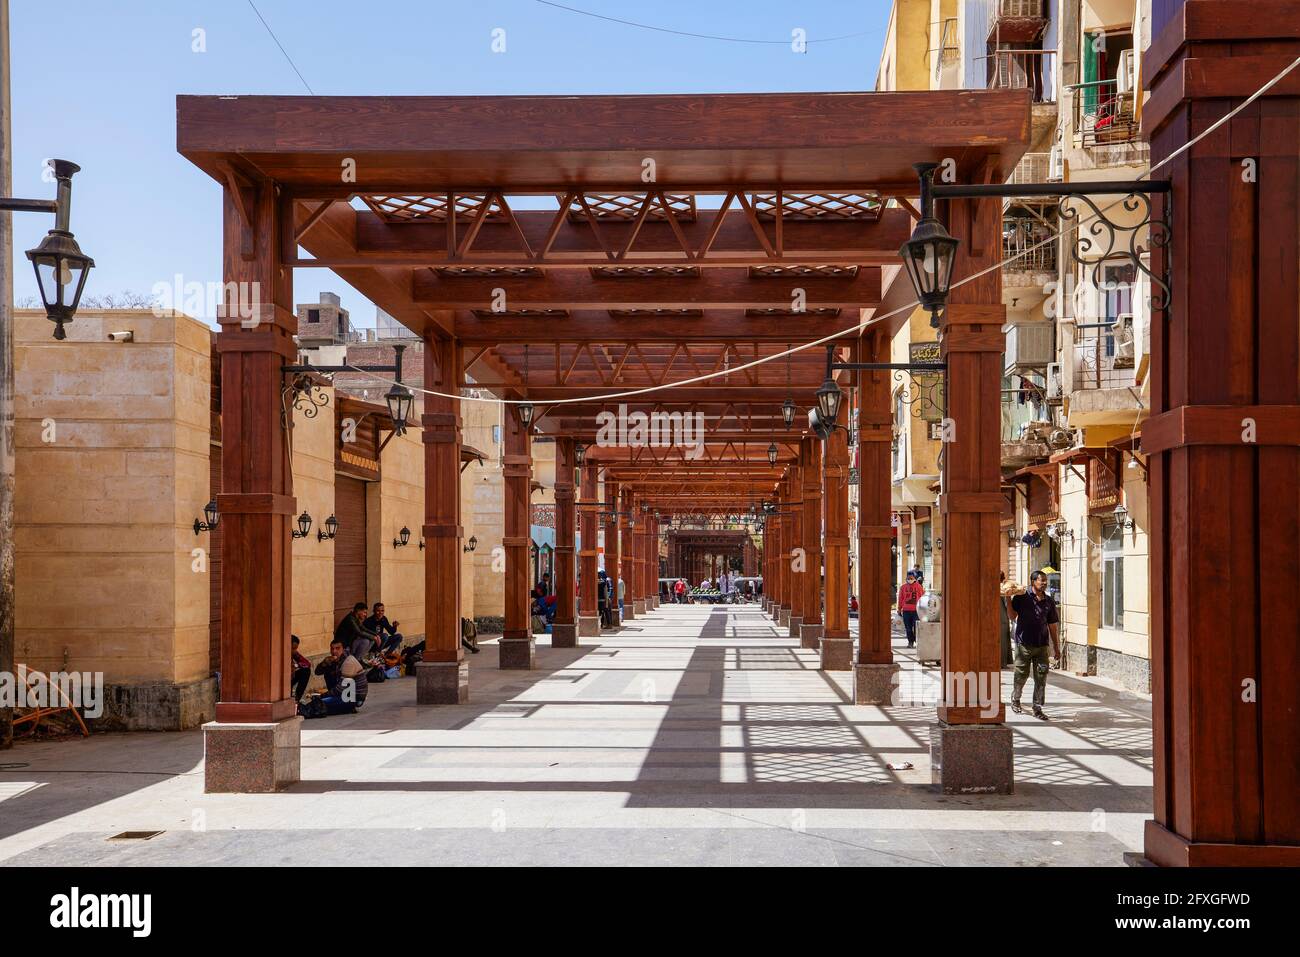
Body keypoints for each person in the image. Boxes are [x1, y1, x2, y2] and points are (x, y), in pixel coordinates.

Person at [1004, 569, 1061, 719]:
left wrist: (1056, 646)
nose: (1044, 583)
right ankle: (1016, 699)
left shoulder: (1048, 601)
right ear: (1033, 582)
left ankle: (1037, 707)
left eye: (1045, 581)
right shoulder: (1022, 598)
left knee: (1041, 677)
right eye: (1040, 580)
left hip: (1042, 646)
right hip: (1024, 645)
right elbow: (1012, 616)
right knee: (1021, 675)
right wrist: (1008, 599)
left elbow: (1052, 625)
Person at [313, 638, 368, 715]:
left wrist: (321, 696)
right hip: (343, 694)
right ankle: (341, 707)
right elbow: (317, 672)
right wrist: (324, 663)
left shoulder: (348, 662)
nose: (334, 651)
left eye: (337, 648)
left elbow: (340, 689)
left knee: (319, 704)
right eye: (332, 649)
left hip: (354, 698)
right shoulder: (334, 661)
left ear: (344, 649)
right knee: (328, 670)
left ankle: (347, 707)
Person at [898, 571, 924, 648]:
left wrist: (922, 609)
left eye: (911, 578)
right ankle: (910, 642)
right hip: (906, 610)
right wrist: (899, 609)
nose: (910, 579)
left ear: (914, 578)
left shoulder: (919, 587)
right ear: (906, 578)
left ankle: (917, 641)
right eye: (908, 578)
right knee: (908, 628)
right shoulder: (903, 587)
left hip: (916, 610)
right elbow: (900, 598)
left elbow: (922, 598)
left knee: (916, 628)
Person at [290, 635, 312, 702]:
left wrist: (296, 665)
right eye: (293, 648)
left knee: (306, 671)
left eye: (296, 648)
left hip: (290, 677)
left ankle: (297, 699)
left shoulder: (294, 653)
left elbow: (307, 664)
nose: (294, 651)